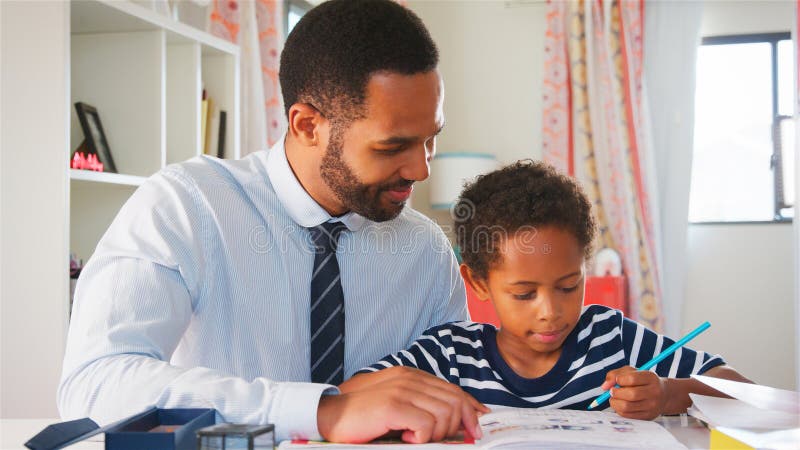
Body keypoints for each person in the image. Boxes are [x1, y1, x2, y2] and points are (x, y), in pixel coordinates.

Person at [58, 0, 488, 444]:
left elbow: (453, 389)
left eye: (430, 139)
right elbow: (95, 383)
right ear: (306, 125)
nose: (421, 170)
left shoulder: (425, 248)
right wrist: (322, 412)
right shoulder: (185, 206)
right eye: (391, 147)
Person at [345, 160, 752, 419]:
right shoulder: (453, 354)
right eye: (524, 294)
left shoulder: (610, 339)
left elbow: (739, 388)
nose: (550, 311)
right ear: (477, 283)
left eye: (569, 286)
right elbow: (349, 393)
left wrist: (667, 393)